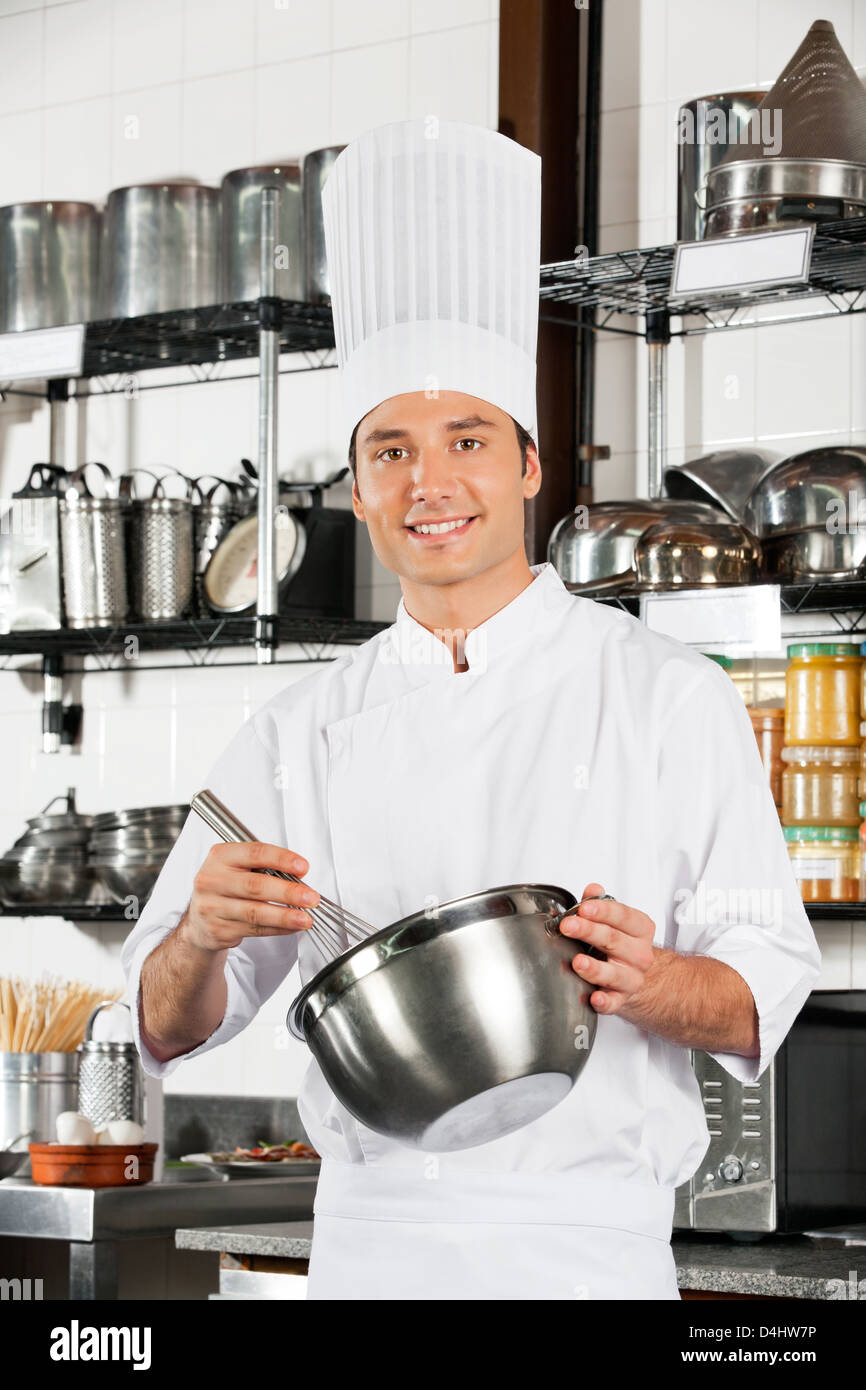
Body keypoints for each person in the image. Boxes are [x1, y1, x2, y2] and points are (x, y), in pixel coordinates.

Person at [122, 120, 821, 1300]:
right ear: (357, 489)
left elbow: (762, 985)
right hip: (365, 1253)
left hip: (583, 1255)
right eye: (389, 450)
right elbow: (166, 1024)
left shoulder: (666, 696)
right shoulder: (298, 732)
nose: (427, 481)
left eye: (464, 440)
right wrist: (197, 934)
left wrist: (652, 985)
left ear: (530, 464)